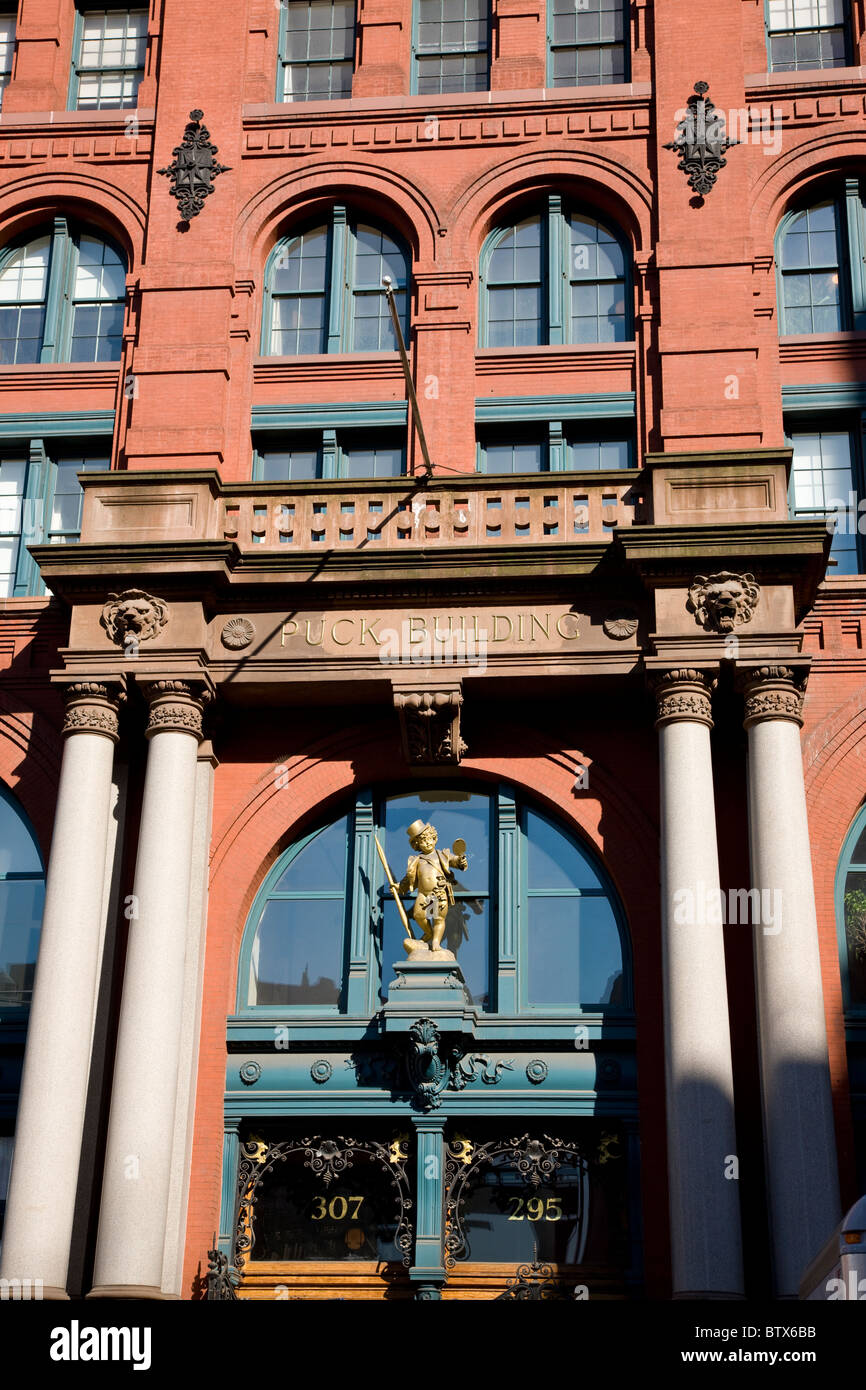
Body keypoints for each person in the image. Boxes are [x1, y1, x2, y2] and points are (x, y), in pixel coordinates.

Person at [398, 820, 467, 955]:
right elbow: (409, 879)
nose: (428, 842)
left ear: (434, 838)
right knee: (418, 915)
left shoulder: (442, 854)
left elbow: (454, 861)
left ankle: (436, 941)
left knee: (438, 918)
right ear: (417, 844)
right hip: (423, 894)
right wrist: (400, 886)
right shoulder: (416, 860)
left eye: (429, 838)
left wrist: (460, 861)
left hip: (438, 893)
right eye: (423, 840)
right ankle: (428, 933)